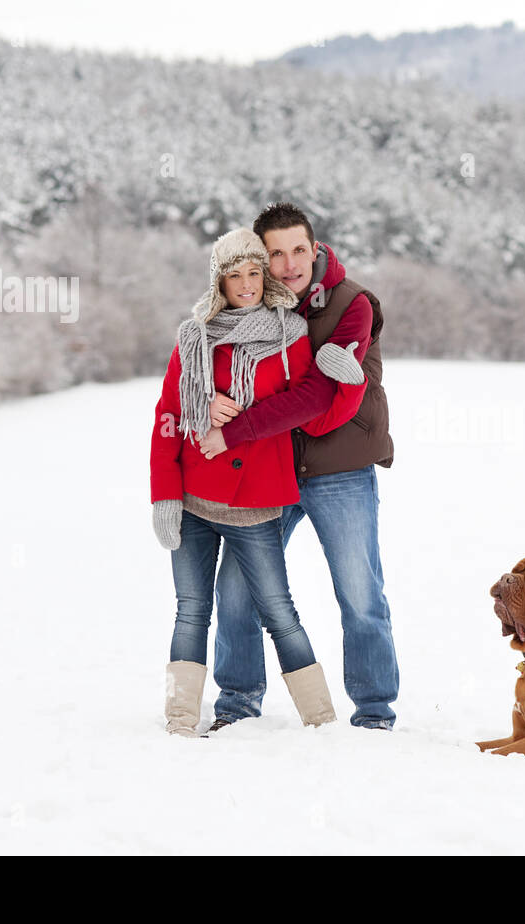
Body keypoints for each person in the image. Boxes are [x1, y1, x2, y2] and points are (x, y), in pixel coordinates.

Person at [149, 226, 367, 736]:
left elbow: (311, 415)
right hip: (195, 498)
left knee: (278, 611)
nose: (245, 284)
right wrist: (165, 493)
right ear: (218, 282)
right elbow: (166, 417)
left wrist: (347, 383)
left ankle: (322, 720)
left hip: (258, 505)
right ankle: (180, 721)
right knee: (191, 612)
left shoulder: (289, 335)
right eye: (234, 275)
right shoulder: (193, 336)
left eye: (253, 272)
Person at [196, 202, 399, 731]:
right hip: (272, 469)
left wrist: (234, 431)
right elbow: (207, 370)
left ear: (316, 248)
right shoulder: (252, 303)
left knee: (360, 592)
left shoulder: (354, 304)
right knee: (236, 587)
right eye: (275, 254)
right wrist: (209, 404)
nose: (288, 265)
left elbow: (315, 399)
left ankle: (374, 711)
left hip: (341, 469)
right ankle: (238, 703)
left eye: (298, 250)